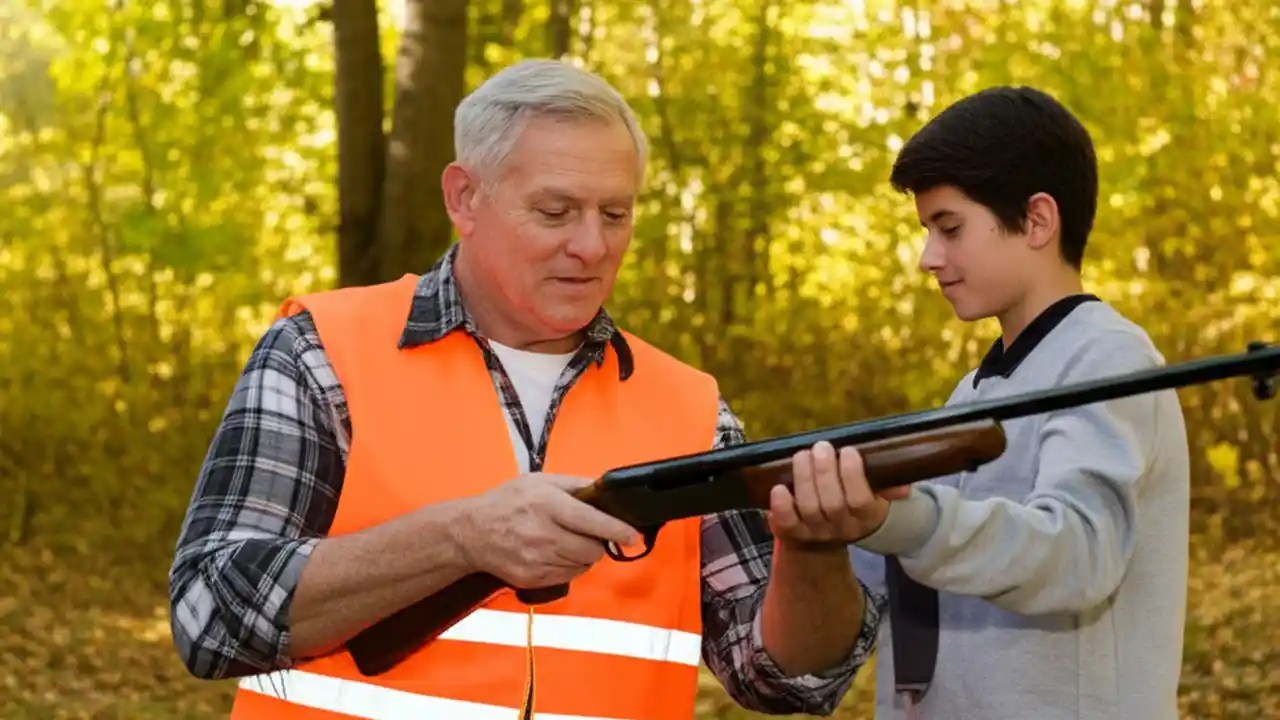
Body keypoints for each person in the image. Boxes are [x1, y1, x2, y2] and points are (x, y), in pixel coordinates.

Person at [168, 58, 895, 720]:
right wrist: (460, 537)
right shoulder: (323, 351)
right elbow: (210, 616)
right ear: (464, 197)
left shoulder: (690, 405)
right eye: (556, 211)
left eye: (616, 214)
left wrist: (814, 550)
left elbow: (786, 679)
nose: (593, 245)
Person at [844, 86, 1191, 719]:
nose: (929, 258)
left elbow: (1079, 551)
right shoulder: (972, 393)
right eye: (928, 231)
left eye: (950, 228)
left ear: (1037, 220)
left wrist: (905, 520)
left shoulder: (1108, 358)